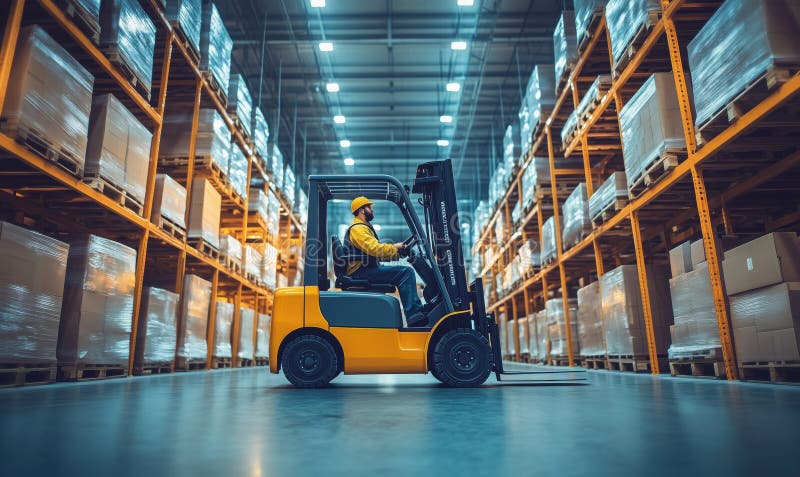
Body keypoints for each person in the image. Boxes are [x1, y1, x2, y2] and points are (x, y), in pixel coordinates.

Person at [344, 196, 427, 327]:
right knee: (405, 272)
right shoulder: (358, 229)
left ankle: (415, 312)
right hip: (360, 272)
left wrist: (397, 253)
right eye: (369, 207)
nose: (372, 210)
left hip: (364, 269)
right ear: (361, 210)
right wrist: (394, 247)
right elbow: (375, 249)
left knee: (403, 271)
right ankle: (414, 315)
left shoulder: (363, 227)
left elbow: (375, 254)